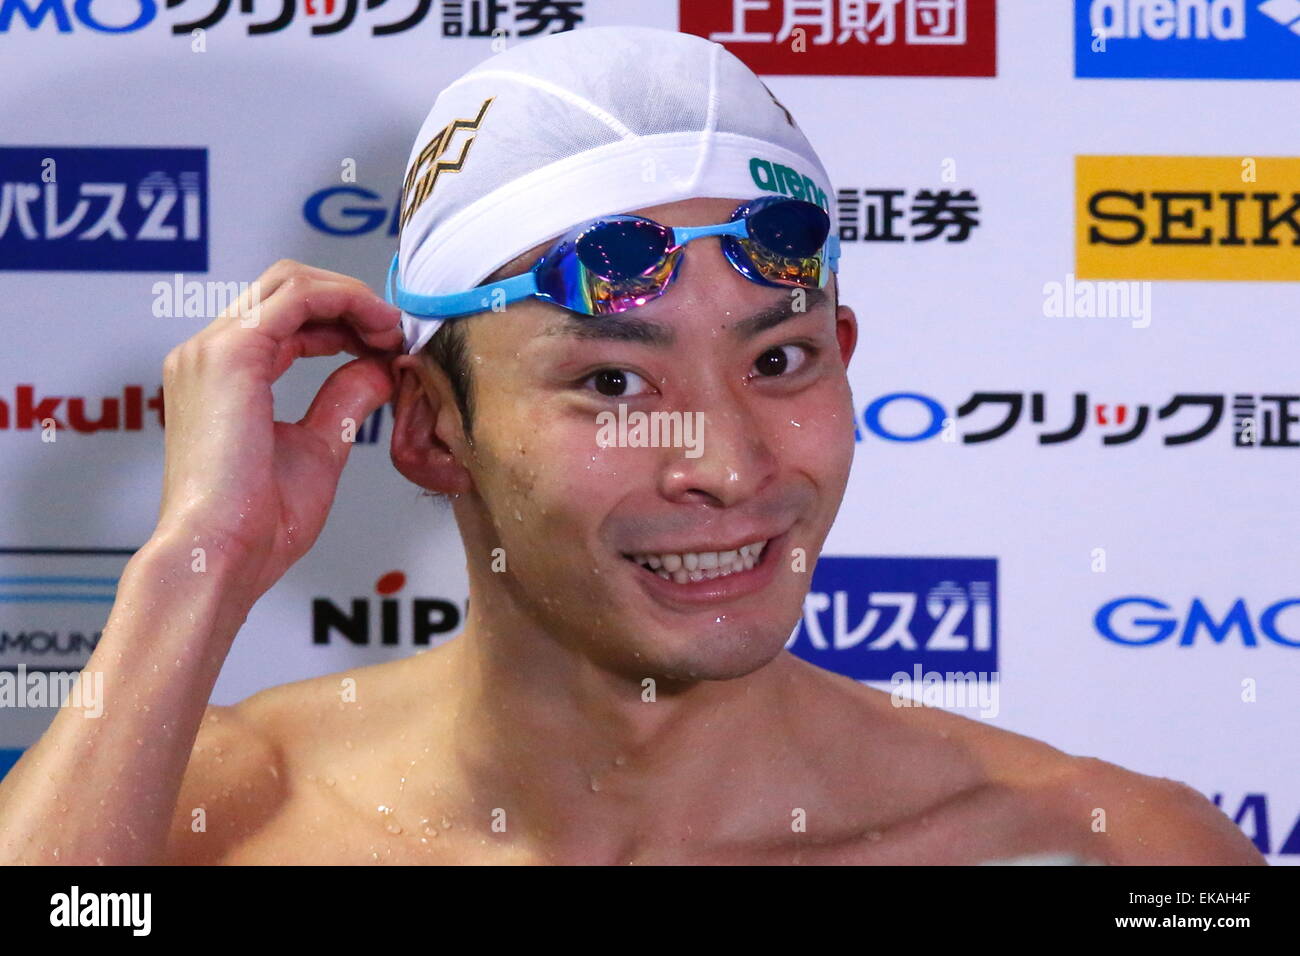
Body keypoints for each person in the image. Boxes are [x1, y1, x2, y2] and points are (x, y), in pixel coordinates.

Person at [0, 26, 1264, 865]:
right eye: (610, 377)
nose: (723, 460)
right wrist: (194, 568)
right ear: (437, 432)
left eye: (779, 359)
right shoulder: (201, 820)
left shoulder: (1106, 848)